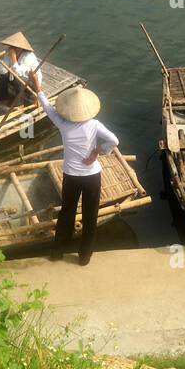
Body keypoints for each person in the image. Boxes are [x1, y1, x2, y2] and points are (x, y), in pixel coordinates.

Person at [36, 85, 119, 265]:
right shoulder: (94, 125)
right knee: (90, 215)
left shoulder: (64, 125)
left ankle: (58, 252)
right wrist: (97, 150)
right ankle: (84, 256)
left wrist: (38, 87)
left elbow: (48, 108)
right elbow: (114, 140)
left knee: (67, 213)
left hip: (71, 176)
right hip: (91, 177)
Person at [0, 32, 41, 105]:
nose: (11, 49)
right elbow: (1, 69)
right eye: (11, 46)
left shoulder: (28, 56)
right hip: (17, 81)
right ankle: (3, 99)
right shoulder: (8, 54)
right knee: (3, 75)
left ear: (20, 48)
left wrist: (13, 57)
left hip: (30, 84)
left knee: (16, 78)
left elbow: (18, 72)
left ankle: (20, 104)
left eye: (14, 47)